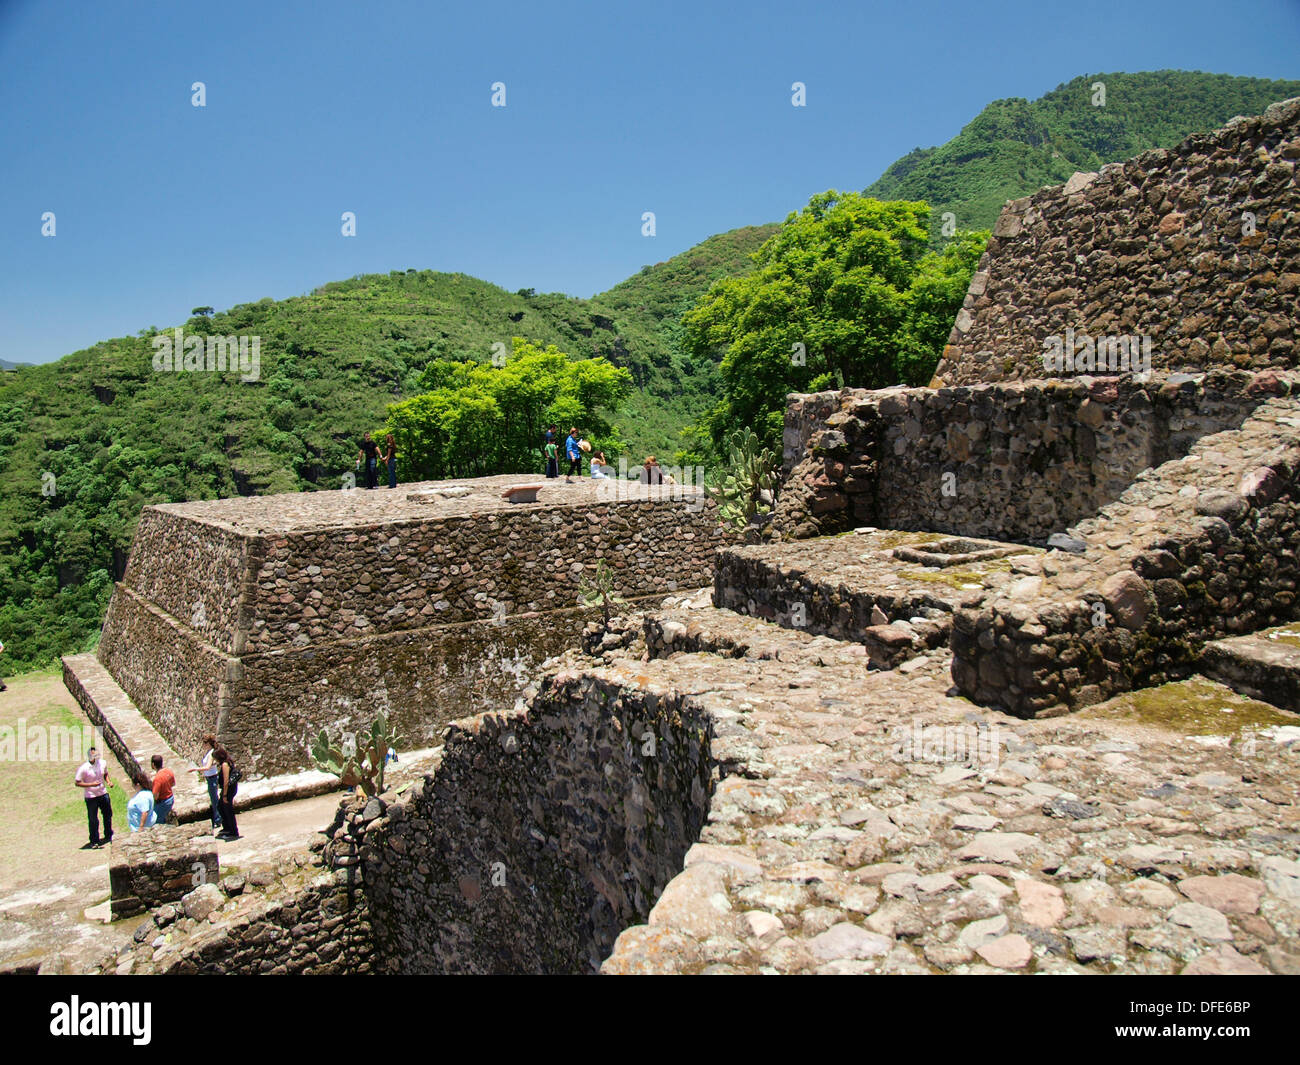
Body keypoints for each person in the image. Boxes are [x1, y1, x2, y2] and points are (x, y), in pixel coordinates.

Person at [75, 746, 113, 848]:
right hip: (91, 797)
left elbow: (105, 773)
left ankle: (109, 835)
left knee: (108, 814)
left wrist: (108, 782)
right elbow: (77, 782)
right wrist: (91, 784)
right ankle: (94, 840)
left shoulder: (102, 763)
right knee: (93, 819)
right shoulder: (84, 768)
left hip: (103, 793)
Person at [191, 735, 222, 831]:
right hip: (210, 778)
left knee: (215, 800)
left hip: (212, 778)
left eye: (204, 743)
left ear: (208, 743)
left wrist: (196, 769)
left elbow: (208, 767)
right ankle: (217, 818)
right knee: (213, 799)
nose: (203, 745)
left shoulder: (211, 753)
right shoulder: (209, 753)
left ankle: (218, 819)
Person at [214, 746, 241, 841]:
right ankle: (227, 828)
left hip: (228, 790)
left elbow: (226, 781)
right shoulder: (227, 762)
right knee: (220, 807)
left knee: (228, 810)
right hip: (228, 790)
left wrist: (224, 795)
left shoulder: (225, 765)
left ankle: (233, 831)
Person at [150, 754, 176, 825]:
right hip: (171, 799)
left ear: (153, 764)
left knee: (156, 821)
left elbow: (156, 796)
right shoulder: (168, 771)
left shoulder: (157, 778)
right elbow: (173, 784)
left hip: (163, 802)